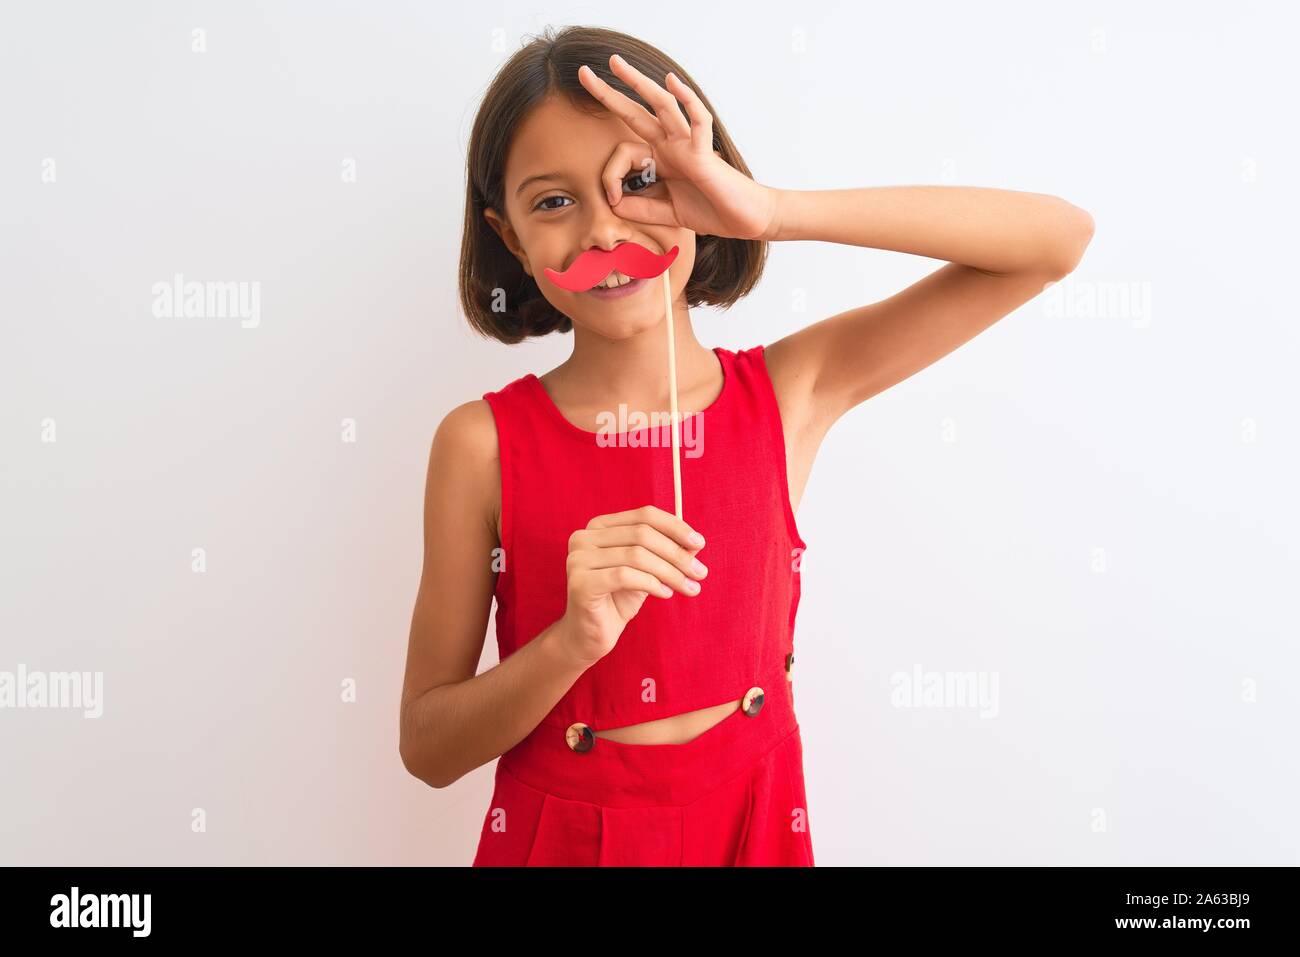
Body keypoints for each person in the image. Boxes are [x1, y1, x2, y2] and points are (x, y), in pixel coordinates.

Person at [398, 25, 1094, 866]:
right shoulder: (480, 445)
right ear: (509, 237)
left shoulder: (792, 390)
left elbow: (1057, 241)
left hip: (754, 828)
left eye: (640, 181)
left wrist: (772, 209)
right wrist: (571, 640)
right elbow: (428, 745)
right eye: (553, 201)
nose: (604, 232)